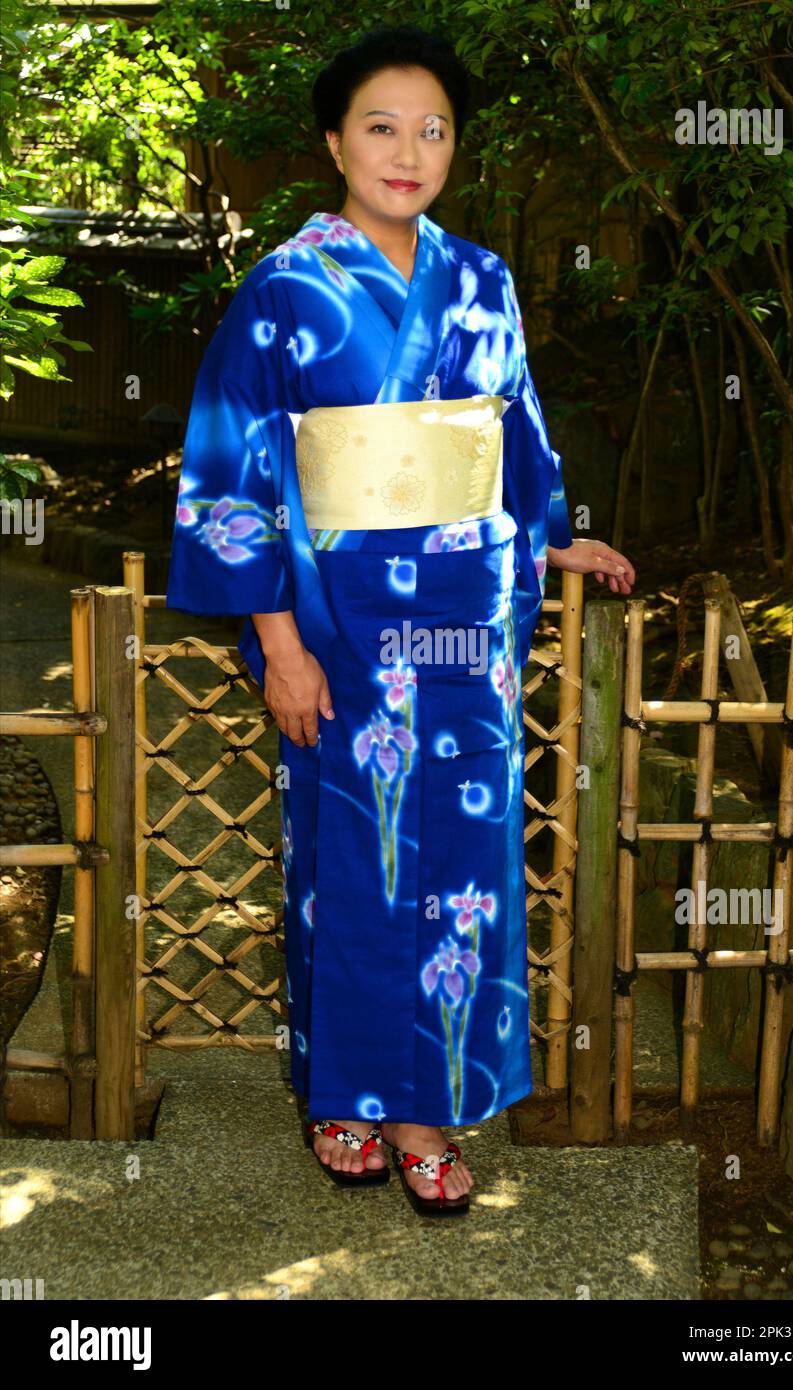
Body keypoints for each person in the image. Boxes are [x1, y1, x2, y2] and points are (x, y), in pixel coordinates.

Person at [166, 24, 635, 1216]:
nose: (409, 150)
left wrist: (550, 529)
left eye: (433, 129)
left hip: (467, 626)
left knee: (465, 862)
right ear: (333, 142)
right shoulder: (282, 287)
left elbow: (512, 430)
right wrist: (277, 645)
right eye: (382, 125)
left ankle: (428, 1103)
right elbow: (235, 472)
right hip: (340, 624)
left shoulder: (482, 280)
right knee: (353, 862)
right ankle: (347, 1096)